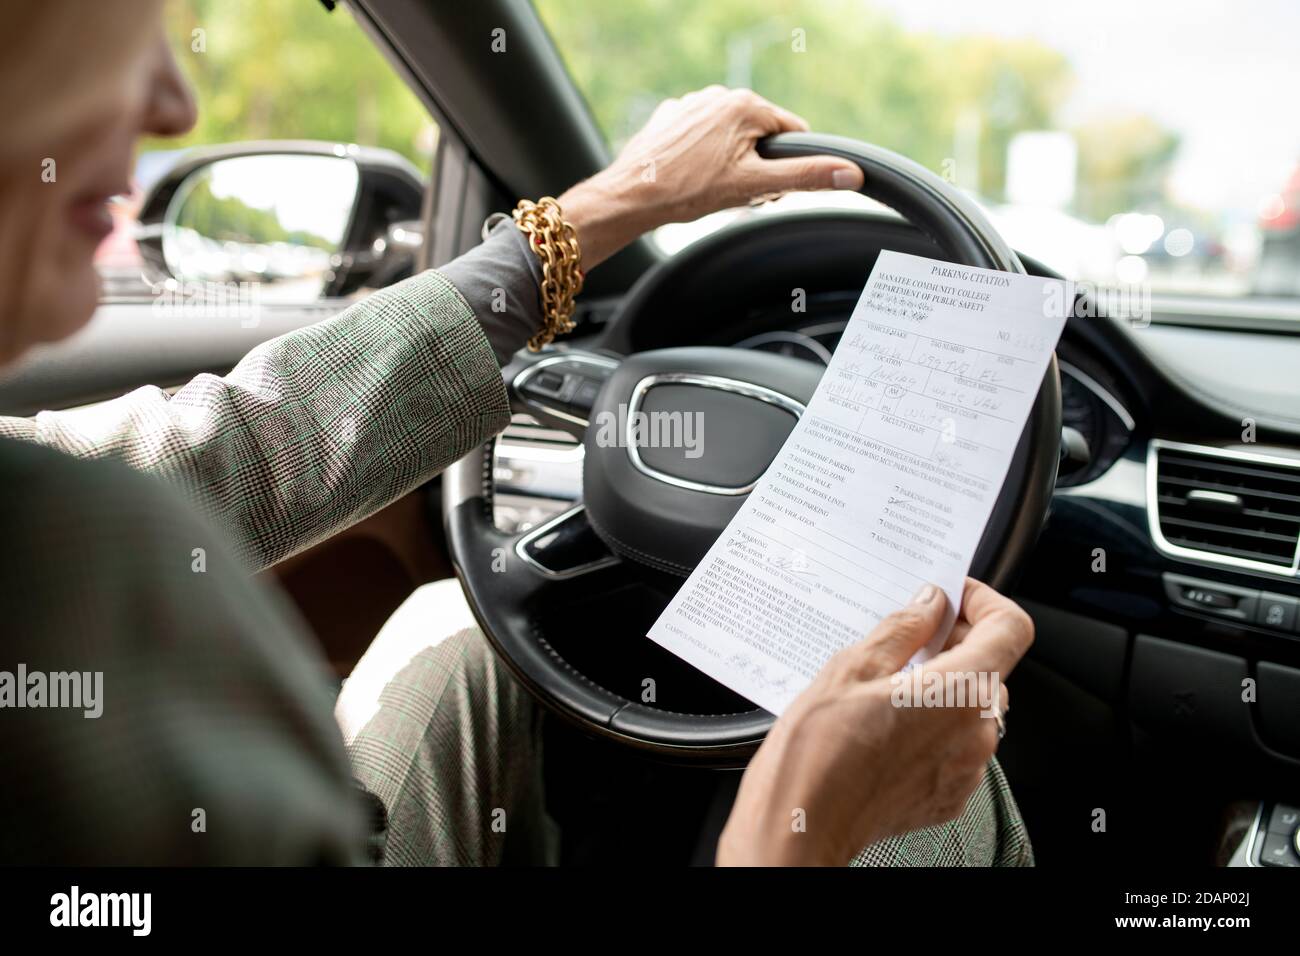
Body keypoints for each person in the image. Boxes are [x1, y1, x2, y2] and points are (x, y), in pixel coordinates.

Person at [0, 0, 1034, 866]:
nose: (177, 107)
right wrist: (801, 821)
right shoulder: (77, 541)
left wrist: (603, 211)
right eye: (111, 21)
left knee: (452, 635)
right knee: (940, 797)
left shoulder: (55, 528)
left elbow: (228, 453)